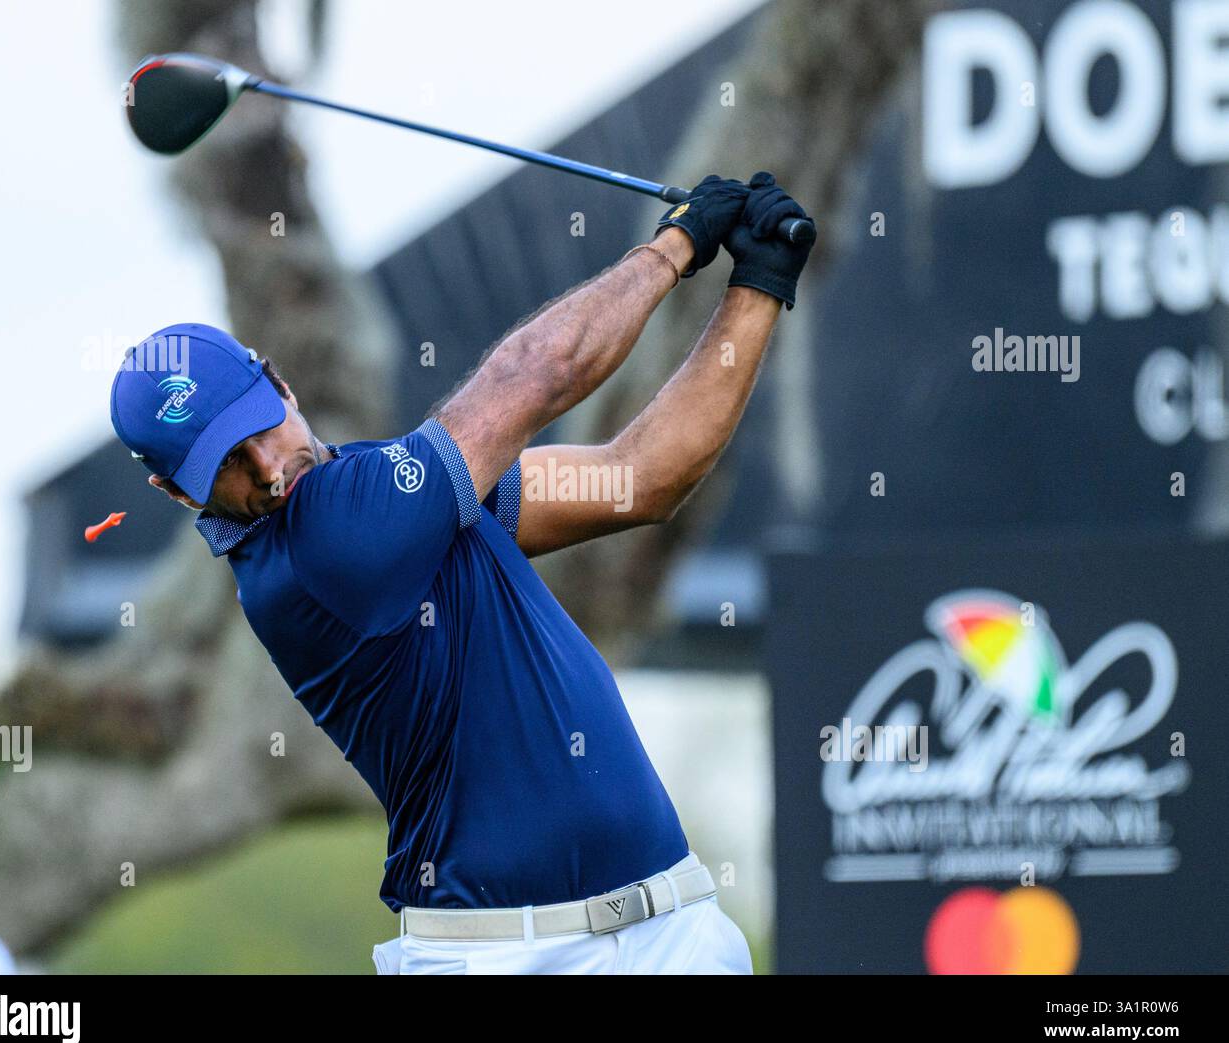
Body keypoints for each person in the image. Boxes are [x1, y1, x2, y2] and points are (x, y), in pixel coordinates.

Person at [109, 172, 813, 974]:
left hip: (669, 927)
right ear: (176, 490)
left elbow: (639, 475)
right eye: (227, 466)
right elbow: (530, 376)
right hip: (501, 957)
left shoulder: (401, 492)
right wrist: (674, 247)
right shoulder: (319, 544)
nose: (268, 471)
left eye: (257, 429)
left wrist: (759, 282)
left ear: (281, 384)